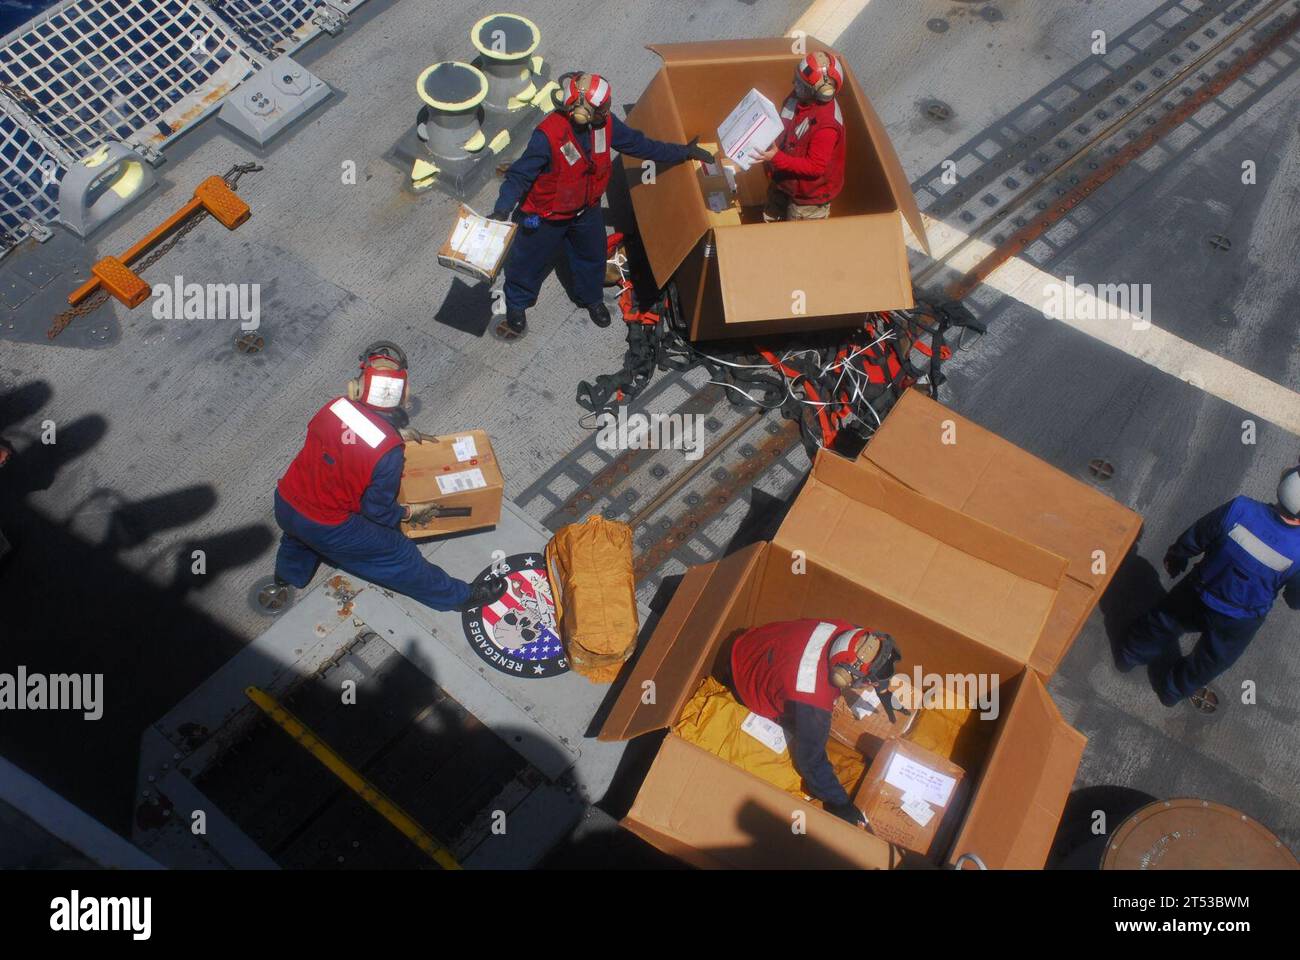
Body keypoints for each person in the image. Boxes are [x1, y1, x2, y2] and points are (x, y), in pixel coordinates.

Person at [272, 341, 506, 612]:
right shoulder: (388, 453)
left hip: (286, 503)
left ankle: (287, 576)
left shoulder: (333, 408)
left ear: (356, 387)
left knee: (298, 537)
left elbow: (343, 442)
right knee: (399, 554)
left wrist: (392, 435)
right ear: (403, 393)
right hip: (329, 527)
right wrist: (408, 512)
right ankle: (459, 598)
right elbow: (377, 511)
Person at [489, 71, 715, 341]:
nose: (607, 112)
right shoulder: (548, 136)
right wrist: (502, 209)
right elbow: (519, 175)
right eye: (602, 108)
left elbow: (638, 144)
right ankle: (517, 303)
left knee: (592, 256)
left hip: (585, 210)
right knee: (527, 262)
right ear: (582, 110)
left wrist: (682, 152)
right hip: (545, 215)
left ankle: (591, 298)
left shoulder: (604, 124)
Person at [1118, 468, 1300, 706]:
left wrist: (1177, 555)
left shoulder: (1240, 508)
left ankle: (1130, 655)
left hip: (1198, 591)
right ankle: (1172, 691)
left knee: (1163, 621)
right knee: (1210, 661)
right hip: (1239, 620)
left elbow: (1200, 533)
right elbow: (1295, 598)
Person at [729, 619, 901, 826]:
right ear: (842, 676)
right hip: (746, 681)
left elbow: (872, 656)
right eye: (868, 680)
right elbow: (810, 760)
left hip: (755, 644)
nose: (870, 683)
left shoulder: (847, 633)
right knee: (805, 740)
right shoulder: (812, 698)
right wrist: (840, 804)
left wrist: (882, 688)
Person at [753, 51, 848, 222]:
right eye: (796, 78)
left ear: (820, 91)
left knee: (797, 242)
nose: (793, 84)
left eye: (800, 84)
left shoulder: (827, 125)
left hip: (809, 198)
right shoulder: (797, 97)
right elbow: (784, 124)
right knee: (770, 222)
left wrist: (776, 158)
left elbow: (815, 167)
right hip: (784, 179)